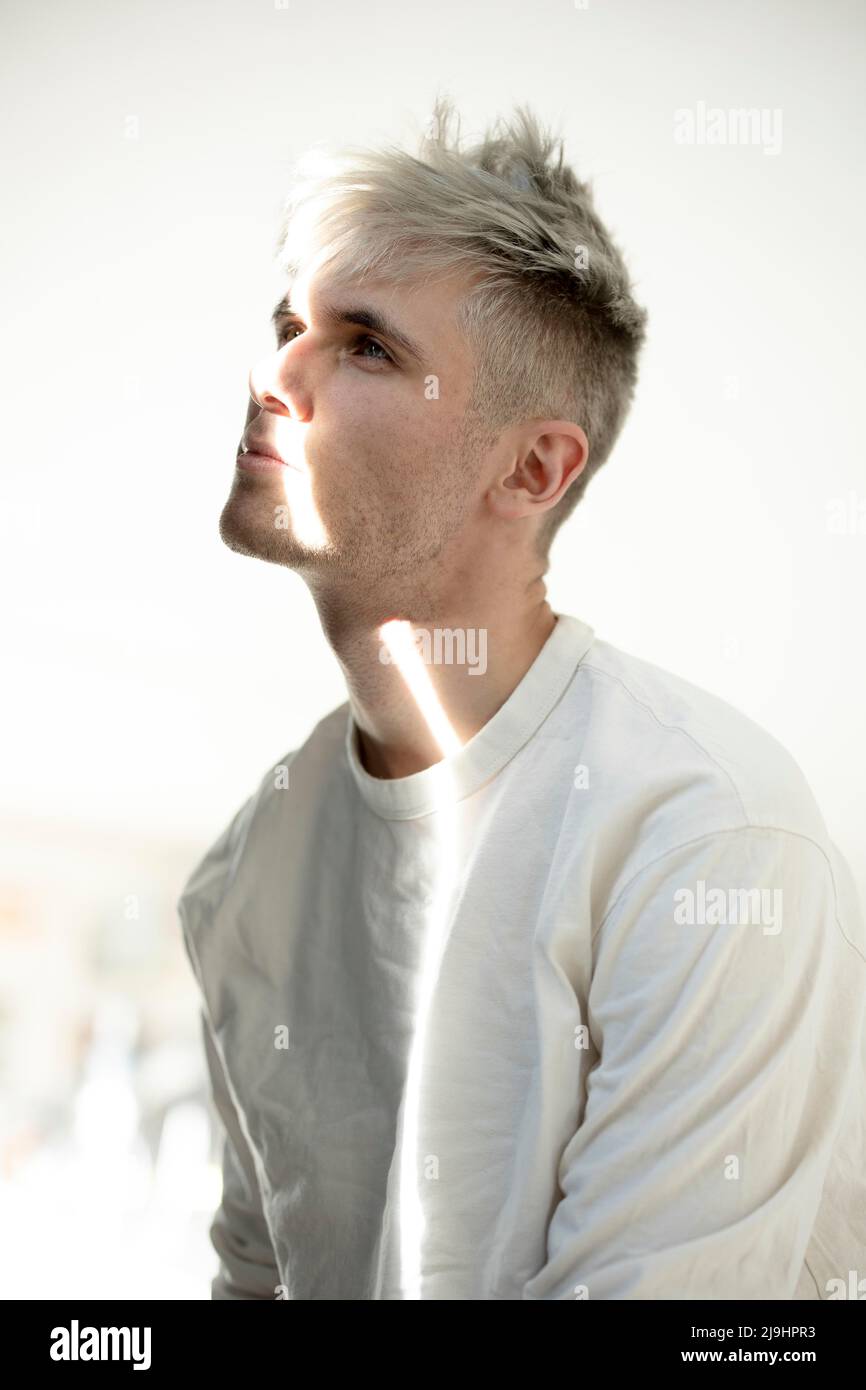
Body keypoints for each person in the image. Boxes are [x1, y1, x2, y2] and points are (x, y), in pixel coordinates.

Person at [178, 98, 866, 1300]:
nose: (273, 370)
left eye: (366, 344)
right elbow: (254, 1280)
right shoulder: (246, 876)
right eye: (288, 321)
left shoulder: (706, 840)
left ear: (532, 467)